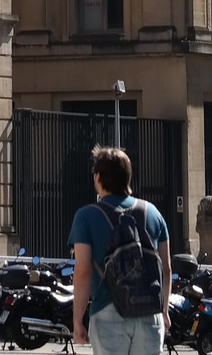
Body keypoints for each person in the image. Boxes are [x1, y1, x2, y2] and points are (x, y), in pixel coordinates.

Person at [70, 146, 172, 354]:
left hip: (108, 311)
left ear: (98, 177)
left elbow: (83, 271)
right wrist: (164, 310)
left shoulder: (86, 216)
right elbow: (166, 268)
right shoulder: (153, 213)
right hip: (149, 313)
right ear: (128, 177)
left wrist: (77, 320)